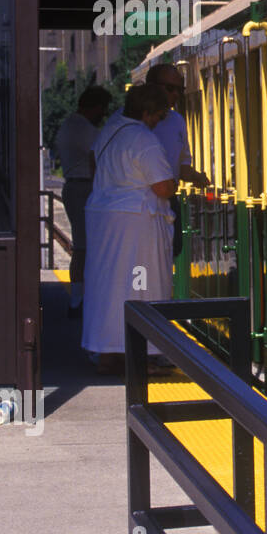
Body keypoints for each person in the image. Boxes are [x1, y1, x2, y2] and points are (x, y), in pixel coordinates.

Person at [81, 83, 176, 376]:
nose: (159, 121)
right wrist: (176, 185)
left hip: (103, 217)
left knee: (107, 287)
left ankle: (108, 354)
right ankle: (140, 356)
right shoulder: (142, 139)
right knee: (140, 285)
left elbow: (92, 164)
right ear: (147, 112)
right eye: (159, 116)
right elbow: (162, 187)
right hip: (137, 225)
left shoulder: (110, 130)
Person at [54, 86, 111, 316]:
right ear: (95, 107)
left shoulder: (69, 124)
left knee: (83, 245)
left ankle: (79, 298)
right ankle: (79, 301)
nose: (103, 115)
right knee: (85, 247)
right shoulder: (83, 129)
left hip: (75, 186)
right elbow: (99, 158)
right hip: (84, 188)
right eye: (103, 110)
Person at [145, 63, 210, 257]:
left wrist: (197, 177)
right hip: (141, 205)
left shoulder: (177, 121)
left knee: (169, 253)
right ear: (151, 87)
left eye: (180, 90)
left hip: (167, 201)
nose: (176, 95)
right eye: (170, 88)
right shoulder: (131, 122)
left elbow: (181, 165)